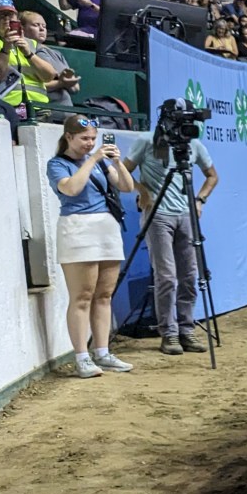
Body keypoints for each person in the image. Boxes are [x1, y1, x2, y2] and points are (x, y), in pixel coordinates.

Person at [45, 115, 136, 377]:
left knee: (104, 295)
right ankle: (82, 357)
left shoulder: (100, 162)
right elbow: (72, 189)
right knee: (82, 296)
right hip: (78, 230)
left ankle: (102, 352)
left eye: (93, 139)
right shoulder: (57, 164)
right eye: (84, 138)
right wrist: (93, 159)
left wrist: (116, 162)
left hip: (106, 229)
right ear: (69, 137)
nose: (90, 143)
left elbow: (127, 186)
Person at [123, 124, 218, 354]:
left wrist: (200, 200)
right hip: (157, 215)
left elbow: (212, 176)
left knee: (189, 275)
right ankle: (169, 333)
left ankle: (187, 330)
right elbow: (122, 171)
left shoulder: (193, 145)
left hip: (186, 216)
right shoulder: (146, 141)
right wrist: (142, 190)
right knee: (166, 276)